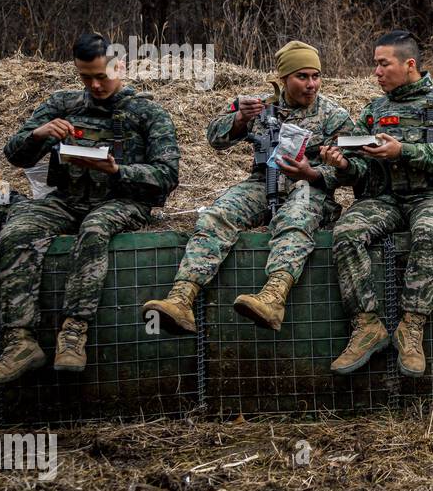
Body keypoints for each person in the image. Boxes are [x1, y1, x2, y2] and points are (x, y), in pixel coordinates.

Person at [0, 32, 180, 383]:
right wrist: (39, 134)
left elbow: (166, 175)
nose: (95, 85)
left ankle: (73, 333)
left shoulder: (147, 113)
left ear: (120, 66)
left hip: (121, 201)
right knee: (17, 229)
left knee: (95, 228)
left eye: (102, 76)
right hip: (67, 198)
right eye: (85, 77)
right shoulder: (62, 105)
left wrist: (118, 171)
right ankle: (19, 341)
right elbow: (14, 155)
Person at [142, 40, 353, 333]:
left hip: (307, 186)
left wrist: (314, 173)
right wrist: (240, 118)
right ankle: (182, 298)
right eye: (301, 77)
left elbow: (349, 168)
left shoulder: (334, 116)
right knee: (218, 215)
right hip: (261, 182)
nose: (311, 84)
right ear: (283, 79)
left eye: (315, 76)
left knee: (296, 217)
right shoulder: (262, 107)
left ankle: (273, 297)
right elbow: (215, 138)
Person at [322, 31, 433, 375]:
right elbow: (359, 166)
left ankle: (411, 328)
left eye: (383, 63)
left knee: (427, 229)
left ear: (409, 64)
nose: (376, 71)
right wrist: (343, 165)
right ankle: (367, 325)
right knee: (346, 231)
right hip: (385, 198)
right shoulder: (374, 111)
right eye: (375, 64)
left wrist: (404, 151)